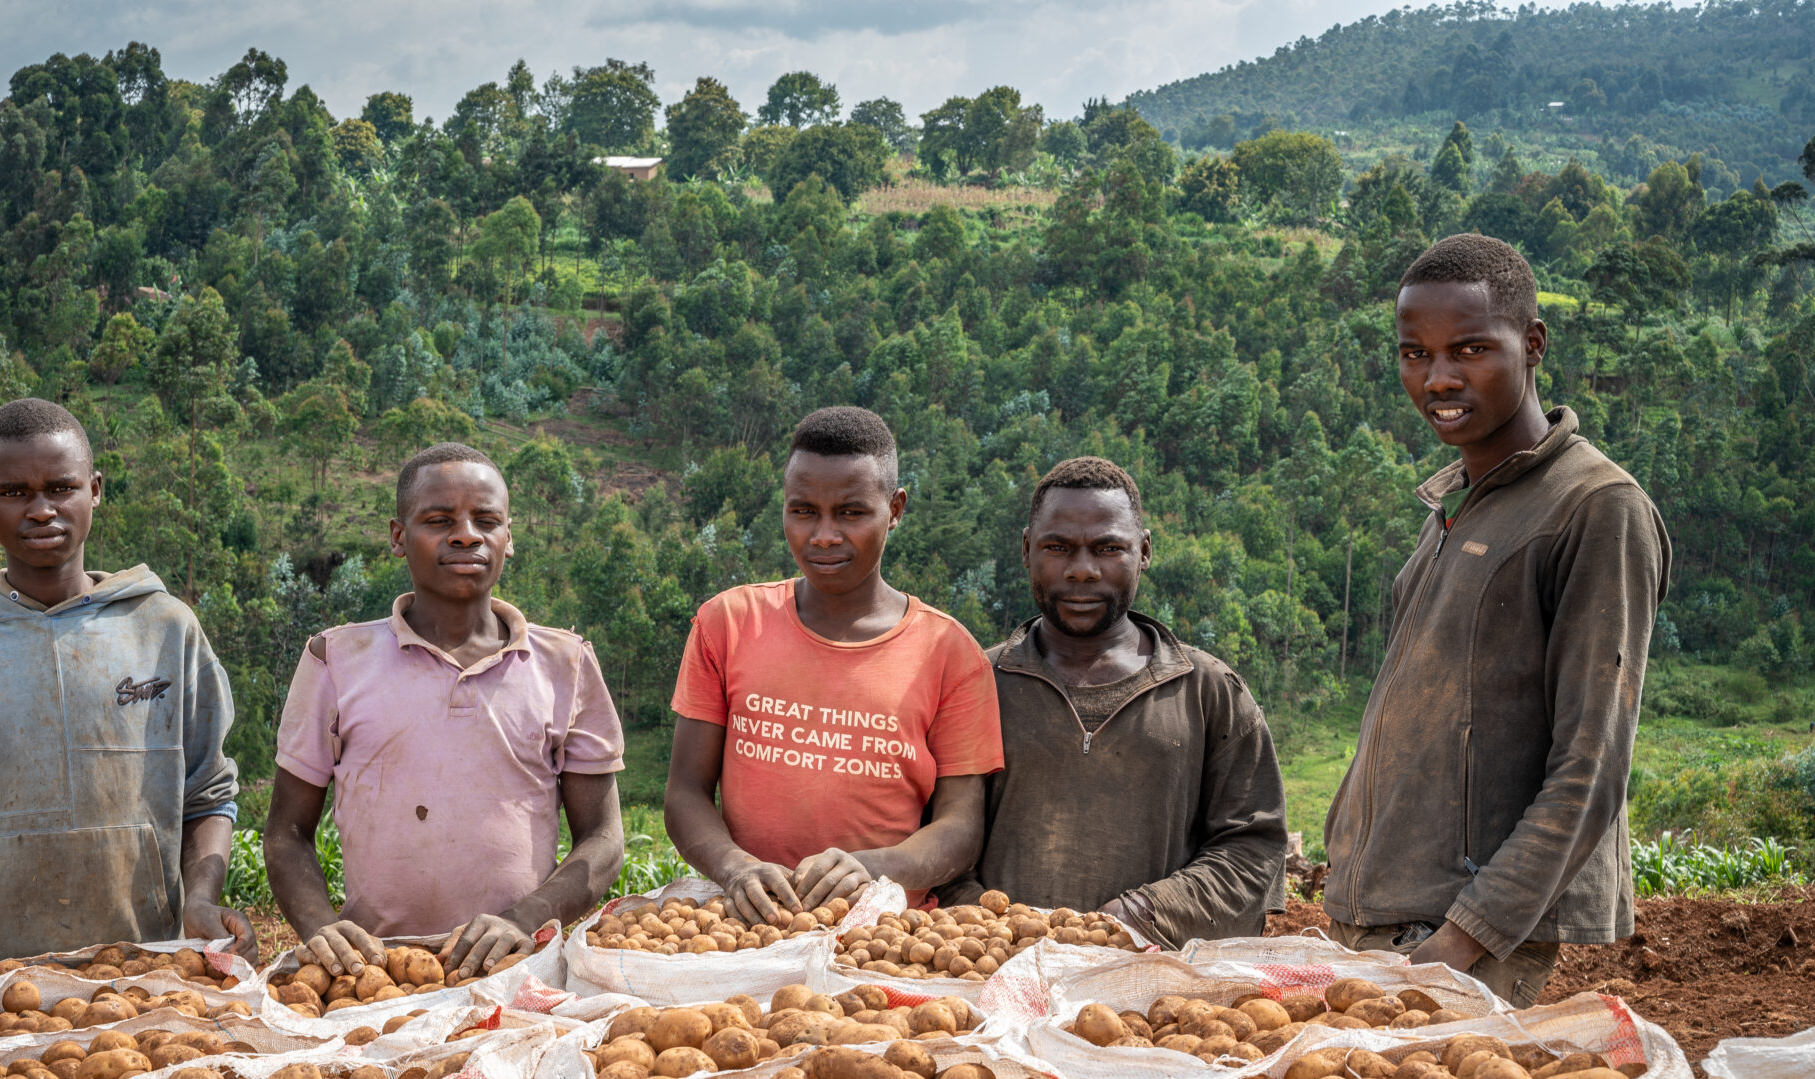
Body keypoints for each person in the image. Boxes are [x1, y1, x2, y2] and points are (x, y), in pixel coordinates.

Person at [1322, 233, 1670, 1006]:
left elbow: (1592, 762)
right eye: (1414, 354)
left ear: (1533, 343)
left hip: (1461, 936)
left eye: (1470, 348)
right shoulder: (1459, 503)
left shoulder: (1594, 508)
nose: (1438, 378)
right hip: (1387, 919)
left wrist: (1465, 936)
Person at [0, 398, 250, 979]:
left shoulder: (166, 629)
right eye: (14, 492)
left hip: (144, 975)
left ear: (95, 490)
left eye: (61, 487)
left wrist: (200, 898)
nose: (42, 509)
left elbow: (207, 792)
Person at [266, 443, 626, 980]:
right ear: (397, 536)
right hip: (375, 974)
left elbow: (603, 837)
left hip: (518, 968)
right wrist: (322, 927)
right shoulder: (336, 660)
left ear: (509, 538)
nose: (465, 534)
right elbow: (286, 832)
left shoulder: (564, 664)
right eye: (439, 520)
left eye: (486, 520)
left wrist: (524, 918)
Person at [664, 406, 1003, 920]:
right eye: (803, 511)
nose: (823, 535)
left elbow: (961, 830)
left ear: (895, 509)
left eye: (850, 512)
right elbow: (686, 793)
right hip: (746, 920)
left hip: (884, 929)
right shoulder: (727, 623)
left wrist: (874, 867)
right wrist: (735, 868)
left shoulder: (949, 652)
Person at [946, 457, 1286, 941]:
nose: (1082, 571)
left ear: (1144, 550)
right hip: (994, 975)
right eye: (1057, 548)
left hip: (1155, 994)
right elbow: (939, 842)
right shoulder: (975, 684)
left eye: (1107, 548)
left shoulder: (1208, 690)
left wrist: (1140, 915)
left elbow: (1252, 848)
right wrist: (1002, 934)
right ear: (1026, 549)